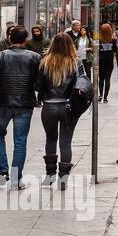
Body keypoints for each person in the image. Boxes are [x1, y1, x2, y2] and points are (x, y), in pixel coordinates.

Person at [0, 27, 41, 188]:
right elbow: (39, 83)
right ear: (26, 39)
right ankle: (15, 178)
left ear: (10, 38)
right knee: (20, 140)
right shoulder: (34, 57)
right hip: (25, 103)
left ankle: (2, 173)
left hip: (2, 103)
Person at [37, 33, 80, 189]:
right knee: (66, 142)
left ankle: (49, 176)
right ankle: (63, 181)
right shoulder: (76, 63)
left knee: (50, 139)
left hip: (48, 107)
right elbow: (82, 85)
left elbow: (38, 85)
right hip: (68, 107)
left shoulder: (45, 63)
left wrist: (41, 97)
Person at [96, 23, 116, 103]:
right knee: (108, 79)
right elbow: (115, 50)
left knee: (101, 79)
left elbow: (96, 50)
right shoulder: (113, 40)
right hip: (109, 61)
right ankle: (105, 97)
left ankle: (100, 95)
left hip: (101, 61)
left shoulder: (98, 40)